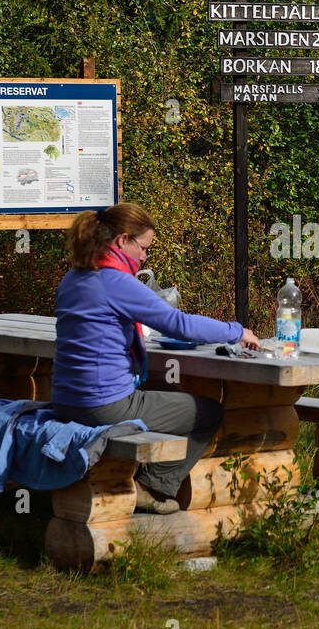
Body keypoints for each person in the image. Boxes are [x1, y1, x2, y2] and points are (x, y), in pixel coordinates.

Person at [50, 203, 260, 515]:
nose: (145, 257)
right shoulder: (116, 282)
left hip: (64, 400)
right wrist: (236, 331)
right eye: (143, 247)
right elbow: (180, 324)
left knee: (164, 400)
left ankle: (128, 480)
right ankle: (152, 488)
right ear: (122, 240)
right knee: (207, 412)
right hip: (101, 406)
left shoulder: (74, 277)